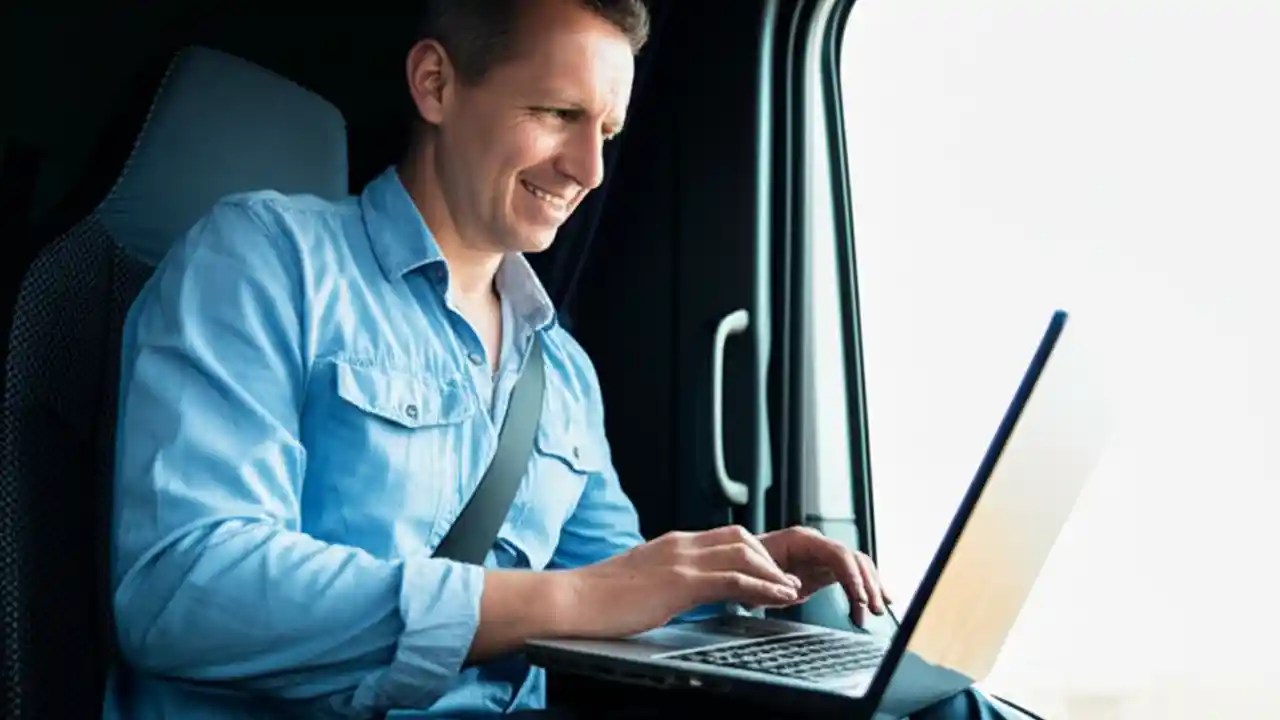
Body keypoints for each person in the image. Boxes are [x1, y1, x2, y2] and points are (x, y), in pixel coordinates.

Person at [103, 1, 1007, 718]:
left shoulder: (561, 372)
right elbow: (183, 590)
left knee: (941, 706)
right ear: (435, 84)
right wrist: (566, 601)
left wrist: (736, 584)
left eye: (606, 131)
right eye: (557, 114)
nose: (589, 169)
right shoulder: (265, 260)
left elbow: (619, 586)